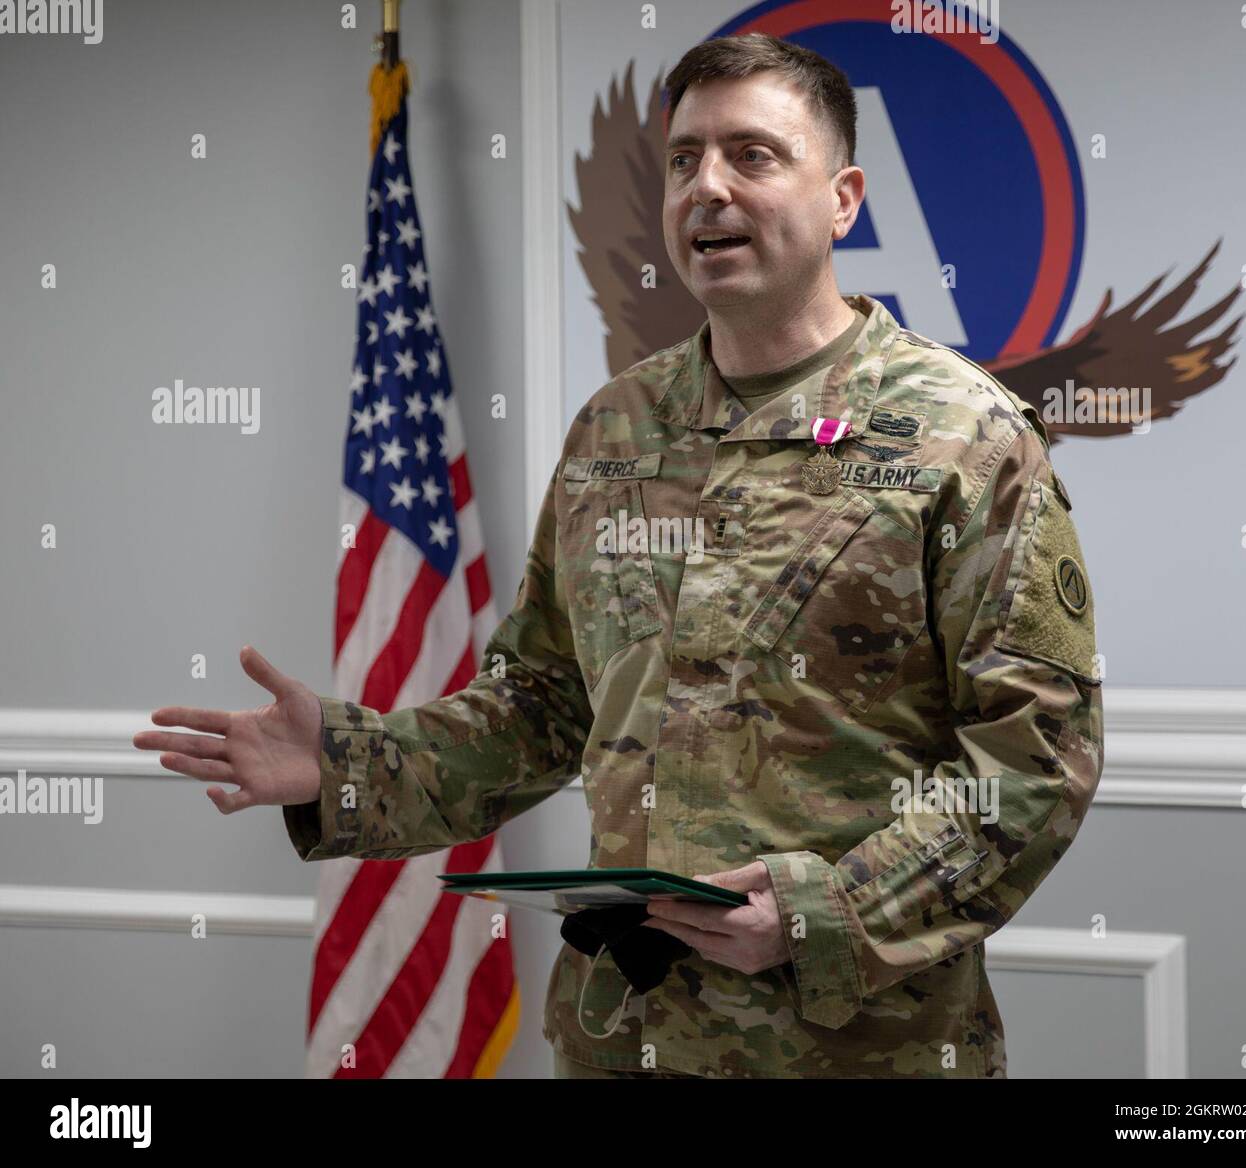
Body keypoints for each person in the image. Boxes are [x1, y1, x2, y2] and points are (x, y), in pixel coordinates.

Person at [133, 32, 1103, 1079]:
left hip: (860, 1049)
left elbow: (1034, 758)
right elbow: (544, 702)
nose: (708, 189)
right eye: (685, 160)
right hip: (623, 1039)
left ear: (844, 198)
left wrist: (827, 910)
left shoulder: (966, 434)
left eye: (753, 155)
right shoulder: (616, 428)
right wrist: (351, 761)